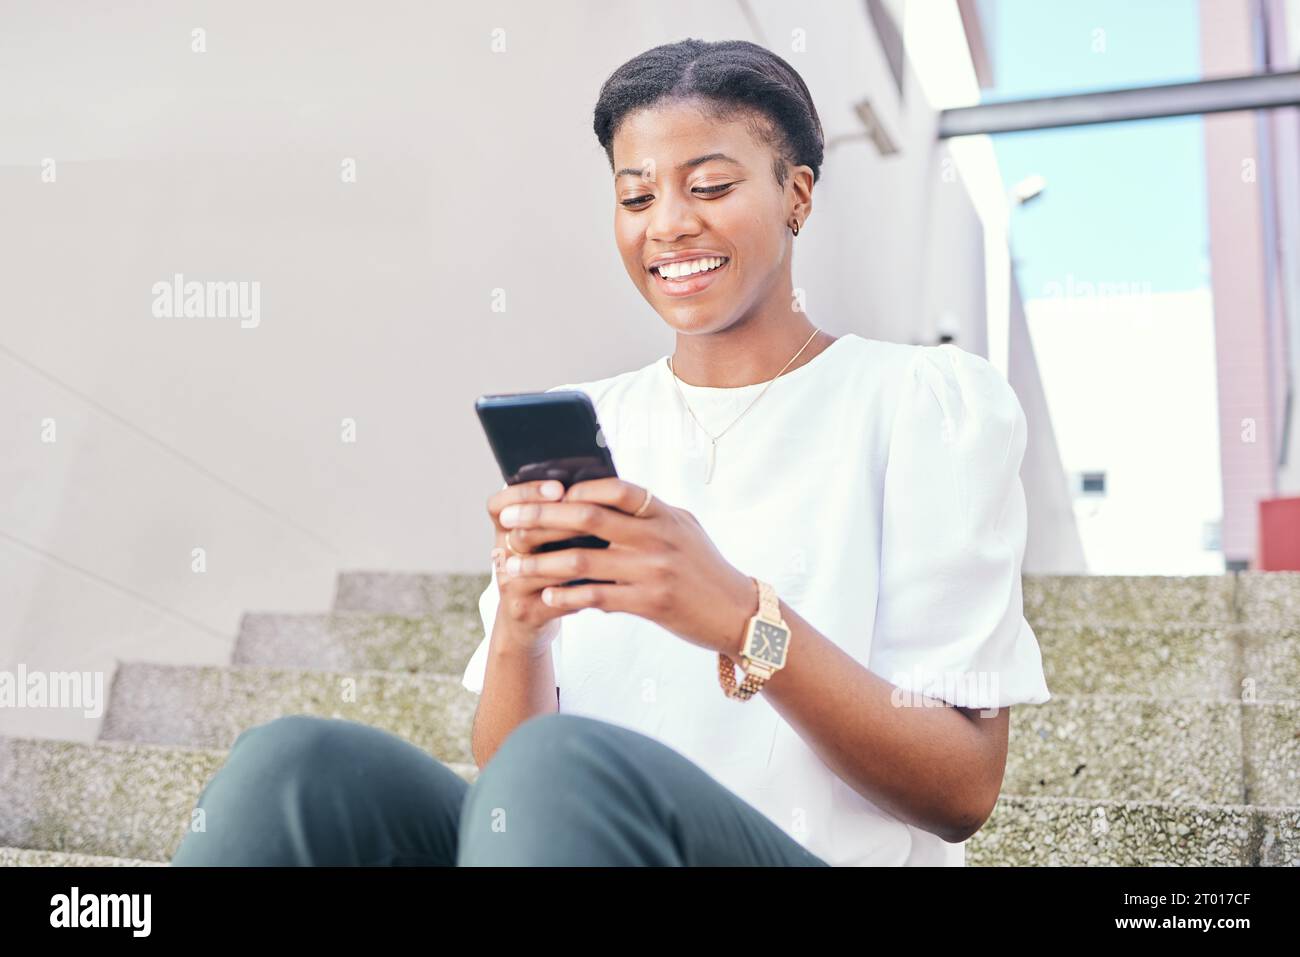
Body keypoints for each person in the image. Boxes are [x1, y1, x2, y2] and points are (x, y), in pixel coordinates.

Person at [171, 37, 1049, 868]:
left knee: (567, 769)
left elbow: (961, 783)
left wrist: (746, 621)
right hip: (569, 833)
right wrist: (524, 625)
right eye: (636, 197)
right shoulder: (600, 422)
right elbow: (508, 785)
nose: (666, 224)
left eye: (708, 186)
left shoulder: (923, 403)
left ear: (798, 195)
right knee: (295, 768)